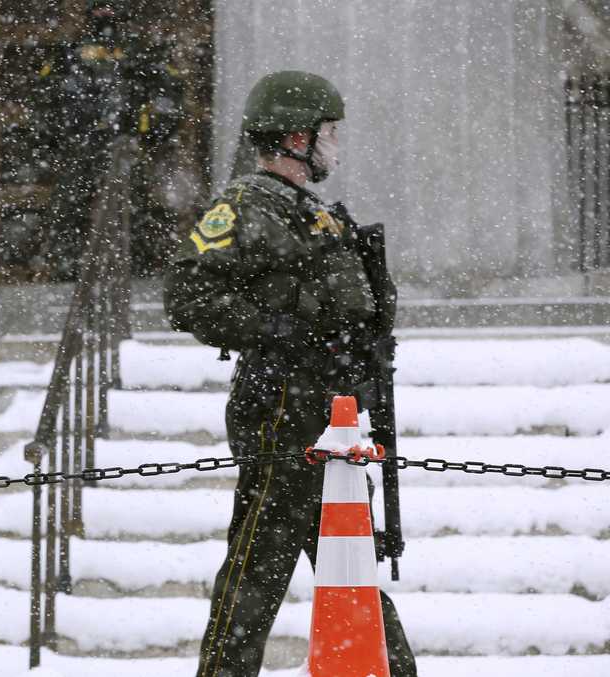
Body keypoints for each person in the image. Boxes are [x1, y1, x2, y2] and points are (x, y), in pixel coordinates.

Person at [163, 70, 418, 677]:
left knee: (347, 557)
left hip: (331, 409)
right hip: (282, 407)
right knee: (258, 562)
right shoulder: (245, 206)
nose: (335, 144)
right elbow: (189, 294)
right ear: (296, 138)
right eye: (328, 132)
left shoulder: (312, 212)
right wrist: (275, 332)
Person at [37, 0, 184, 281]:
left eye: (110, 8)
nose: (105, 15)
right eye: (99, 8)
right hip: (82, 143)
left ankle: (134, 267)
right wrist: (58, 133)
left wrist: (149, 129)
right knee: (70, 205)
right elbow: (45, 97)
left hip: (125, 143)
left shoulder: (140, 50)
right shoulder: (69, 52)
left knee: (132, 206)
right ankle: (67, 270)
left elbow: (168, 93)